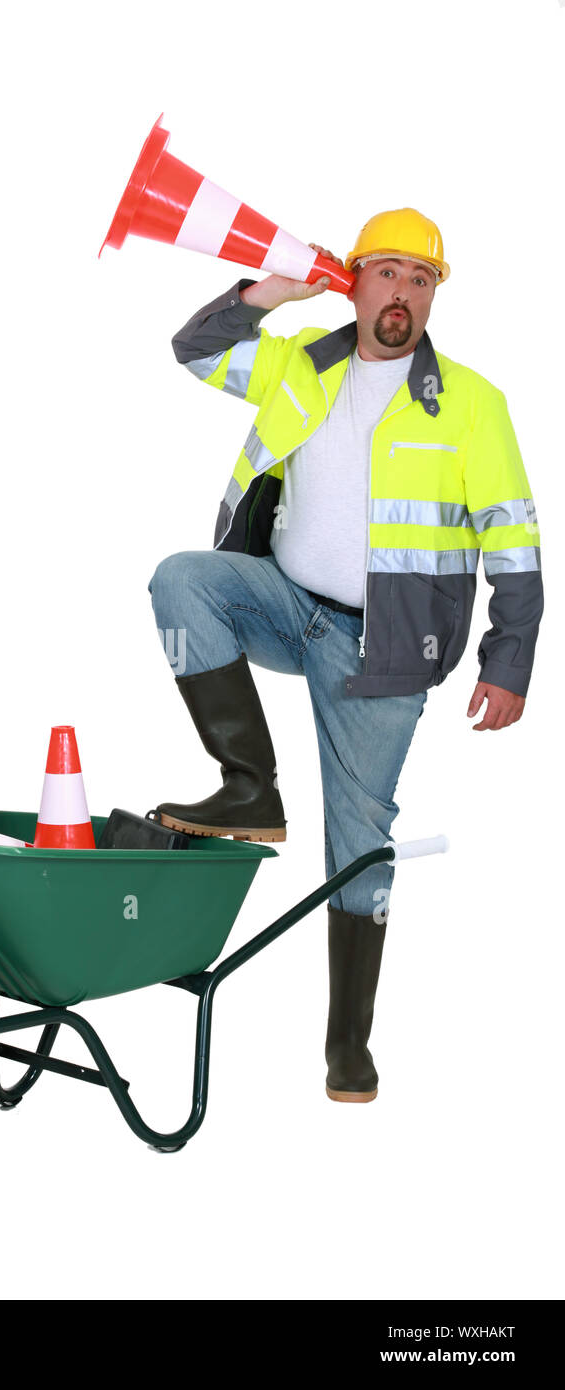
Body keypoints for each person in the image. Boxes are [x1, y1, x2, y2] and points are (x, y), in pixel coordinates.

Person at [148, 209, 543, 1103]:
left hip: (387, 647)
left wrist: (507, 659)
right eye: (389, 273)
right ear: (355, 280)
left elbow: (512, 540)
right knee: (182, 581)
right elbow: (196, 347)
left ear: (432, 296)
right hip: (285, 605)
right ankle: (249, 785)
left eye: (421, 279)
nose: (403, 293)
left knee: (359, 843)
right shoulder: (302, 362)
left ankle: (347, 1043)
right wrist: (276, 292)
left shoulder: (472, 404)